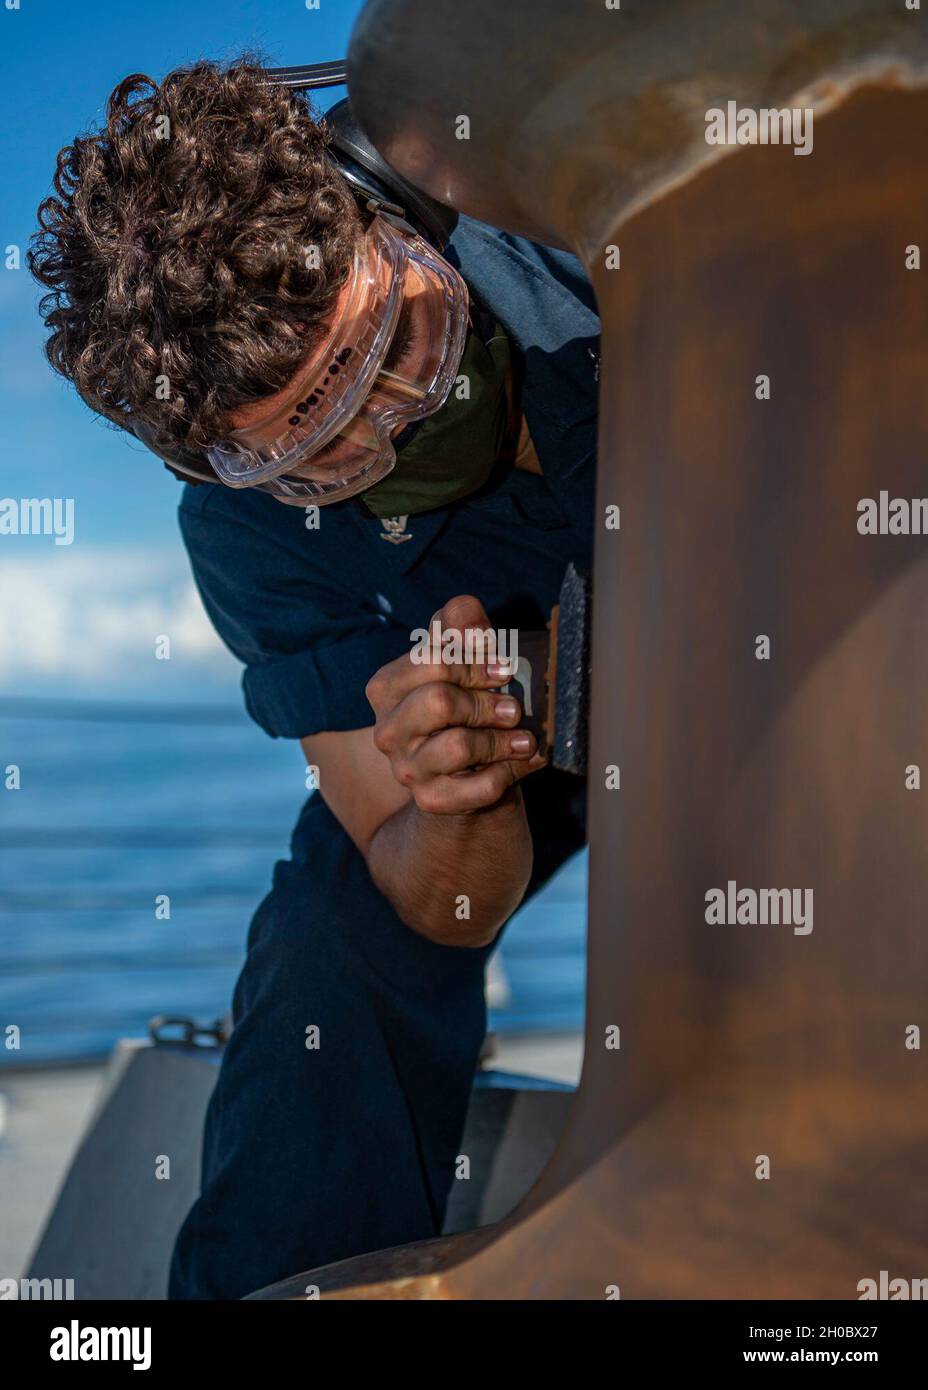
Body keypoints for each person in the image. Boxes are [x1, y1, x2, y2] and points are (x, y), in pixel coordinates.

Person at [29, 56, 599, 1299]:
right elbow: (447, 905)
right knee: (334, 930)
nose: (392, 429)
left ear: (394, 206)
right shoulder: (253, 543)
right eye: (316, 446)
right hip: (541, 730)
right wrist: (459, 798)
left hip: (812, 646)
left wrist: (590, 672)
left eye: (395, 349)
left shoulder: (583, 230)